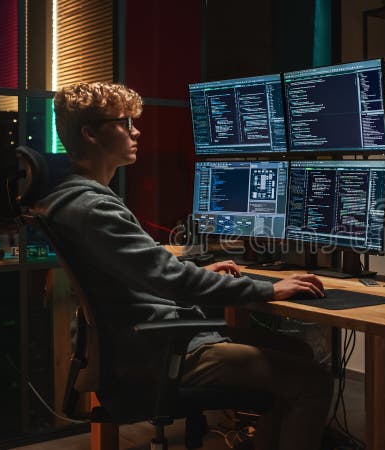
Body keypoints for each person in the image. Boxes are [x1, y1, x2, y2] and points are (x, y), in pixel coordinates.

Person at [38, 81, 332, 450]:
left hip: (142, 344)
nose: (136, 131)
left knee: (298, 353)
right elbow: (173, 280)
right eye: (125, 123)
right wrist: (271, 288)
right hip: (163, 351)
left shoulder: (74, 199)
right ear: (89, 134)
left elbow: (144, 275)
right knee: (313, 380)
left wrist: (201, 275)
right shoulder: (95, 208)